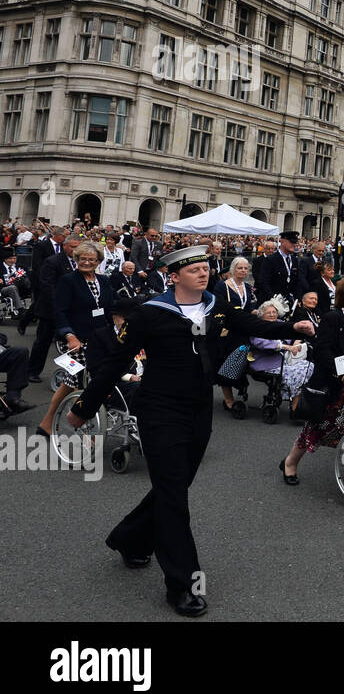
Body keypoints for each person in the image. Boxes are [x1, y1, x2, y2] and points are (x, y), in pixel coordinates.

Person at [68, 245, 314, 616]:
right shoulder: (150, 313)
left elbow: (252, 323)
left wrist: (291, 326)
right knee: (174, 497)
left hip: (199, 410)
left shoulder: (216, 305)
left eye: (205, 267)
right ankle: (182, 583)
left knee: (175, 486)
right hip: (159, 410)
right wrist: (84, 407)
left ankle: (129, 539)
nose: (203, 273)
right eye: (195, 269)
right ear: (175, 276)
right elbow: (113, 363)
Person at [281, 276, 344, 485]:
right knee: (316, 427)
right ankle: (290, 463)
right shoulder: (333, 318)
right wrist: (340, 371)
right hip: (333, 383)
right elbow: (322, 350)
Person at [35, 240, 117, 436]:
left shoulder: (104, 281)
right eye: (82, 258)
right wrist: (70, 336)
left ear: (98, 261)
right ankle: (83, 427)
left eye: (91, 259)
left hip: (98, 339)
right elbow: (60, 311)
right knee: (81, 382)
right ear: (76, 259)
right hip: (74, 340)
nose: (86, 262)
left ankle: (46, 423)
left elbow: (110, 309)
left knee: (73, 383)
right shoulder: (68, 281)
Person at [29, 234, 78, 382]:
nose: (75, 250)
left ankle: (72, 374)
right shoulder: (52, 261)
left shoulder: (80, 262)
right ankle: (32, 371)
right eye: (72, 247)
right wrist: (59, 305)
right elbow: (47, 286)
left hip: (71, 311)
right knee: (43, 342)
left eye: (78, 247)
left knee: (73, 344)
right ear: (65, 246)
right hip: (50, 310)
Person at [247, 299, 314, 408]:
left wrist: (295, 341)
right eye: (268, 313)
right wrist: (285, 346)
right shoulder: (258, 326)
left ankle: (295, 401)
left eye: (274, 312)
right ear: (261, 315)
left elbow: (289, 334)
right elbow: (260, 343)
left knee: (308, 366)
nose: (272, 315)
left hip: (283, 361)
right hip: (265, 363)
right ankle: (294, 406)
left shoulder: (279, 323)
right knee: (298, 372)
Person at [213, 256, 257, 414]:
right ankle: (228, 399)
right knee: (227, 362)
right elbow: (219, 307)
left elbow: (250, 306)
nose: (243, 271)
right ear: (233, 269)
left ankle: (240, 385)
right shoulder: (222, 286)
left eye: (246, 268)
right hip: (228, 331)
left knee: (243, 360)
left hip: (244, 329)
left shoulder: (247, 286)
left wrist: (258, 311)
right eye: (240, 268)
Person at [262, 231, 300, 303]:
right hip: (273, 301)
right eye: (291, 242)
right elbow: (264, 282)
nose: (294, 245)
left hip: (289, 301)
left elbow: (296, 281)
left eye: (295, 243)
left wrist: (297, 298)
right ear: (282, 241)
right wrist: (274, 297)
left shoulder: (294, 260)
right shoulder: (270, 260)